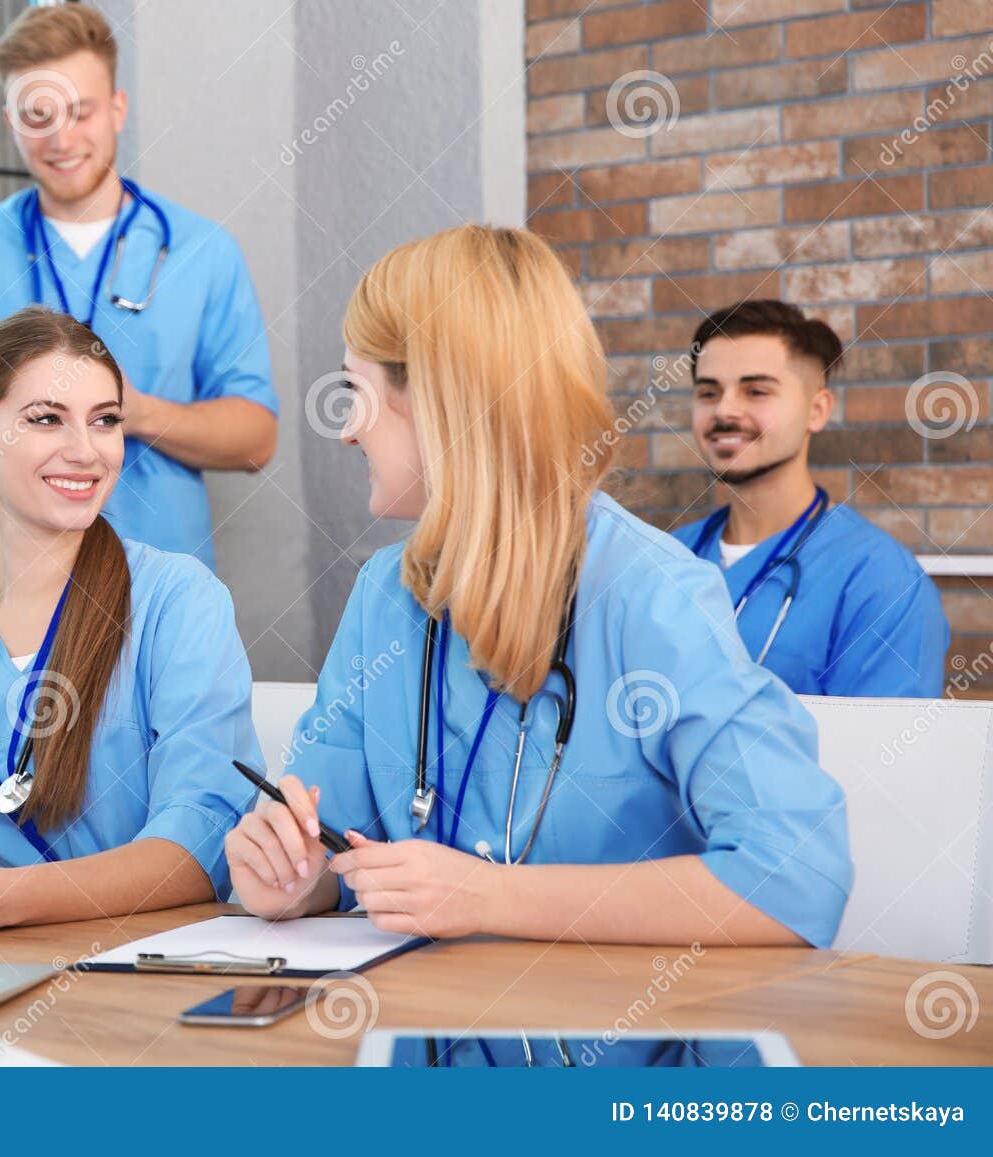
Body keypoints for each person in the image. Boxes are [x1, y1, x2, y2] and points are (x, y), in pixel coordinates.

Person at [226, 226, 853, 948]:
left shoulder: (650, 594)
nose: (344, 433)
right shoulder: (383, 596)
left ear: (438, 398)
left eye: (355, 391)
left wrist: (494, 898)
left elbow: (799, 880)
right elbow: (327, 839)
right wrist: (292, 875)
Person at [0, 306, 262, 930]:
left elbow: (202, 847)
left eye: (105, 421)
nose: (85, 451)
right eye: (46, 420)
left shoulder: (177, 602)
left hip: (129, 987)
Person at [0, 3, 278, 576]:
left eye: (80, 113)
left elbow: (255, 438)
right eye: (37, 116)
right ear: (11, 121)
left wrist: (138, 412)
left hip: (155, 573)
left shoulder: (202, 251)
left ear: (117, 109)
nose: (60, 138)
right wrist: (9, 428)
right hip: (5, 574)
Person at [672, 299, 949, 697]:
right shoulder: (668, 557)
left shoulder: (882, 583)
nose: (725, 411)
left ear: (817, 410)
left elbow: (884, 755)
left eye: (756, 391)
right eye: (708, 392)